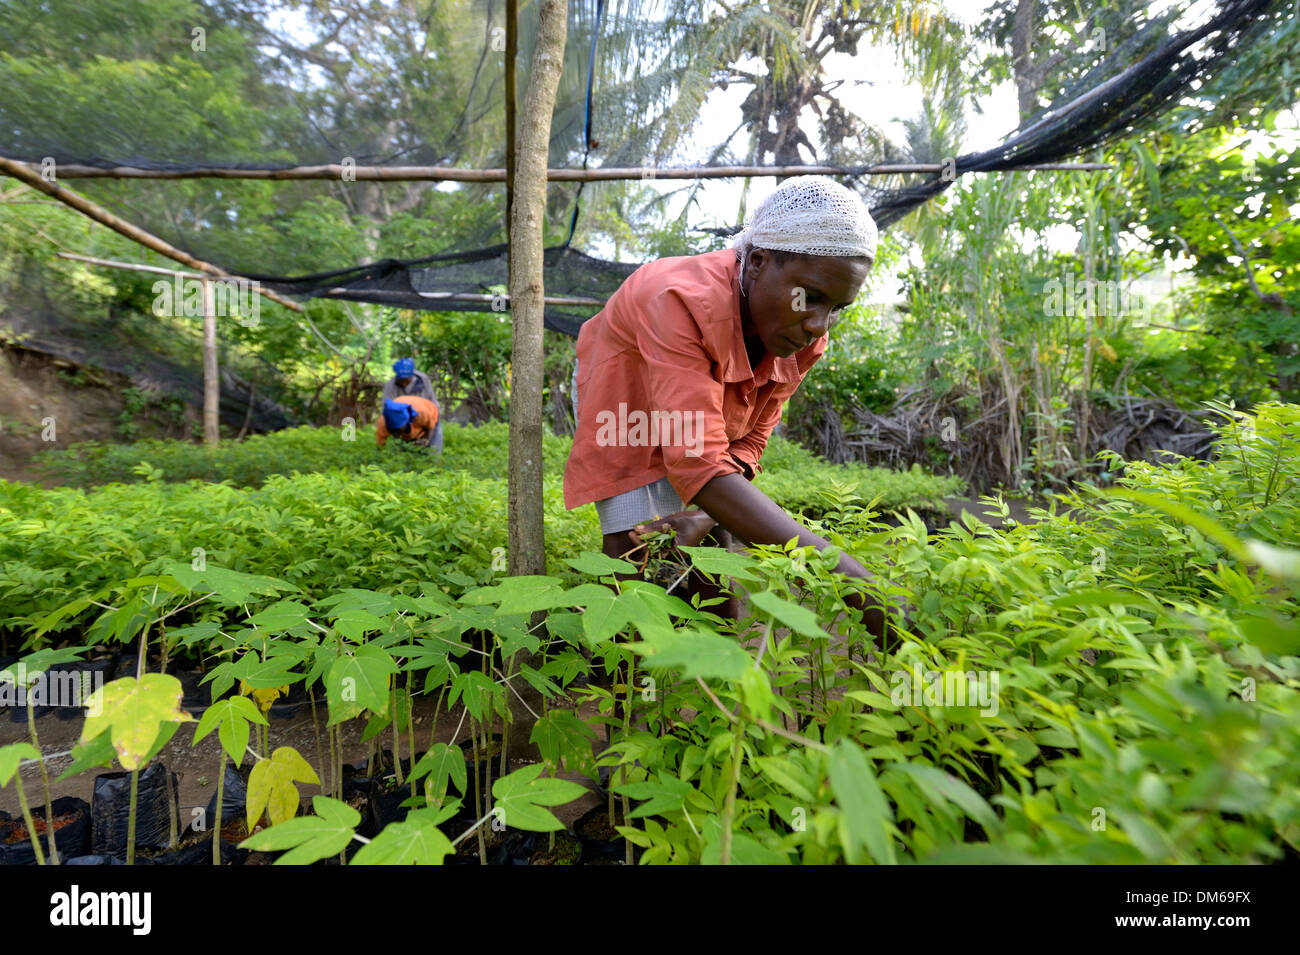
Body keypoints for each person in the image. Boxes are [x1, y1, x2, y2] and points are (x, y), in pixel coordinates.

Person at [563, 176, 904, 641]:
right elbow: (700, 465)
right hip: (626, 398)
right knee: (634, 546)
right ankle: (616, 695)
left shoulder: (802, 336)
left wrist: (705, 513)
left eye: (836, 307)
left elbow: (750, 440)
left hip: (699, 411)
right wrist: (852, 582)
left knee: (712, 543)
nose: (818, 324)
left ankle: (716, 688)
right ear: (759, 262)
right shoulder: (676, 298)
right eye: (811, 296)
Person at [377, 395, 443, 452]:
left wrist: (426, 440)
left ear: (407, 422)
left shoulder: (421, 414)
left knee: (432, 450)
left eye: (398, 431)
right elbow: (380, 446)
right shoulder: (383, 423)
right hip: (410, 425)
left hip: (430, 415)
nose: (396, 435)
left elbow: (430, 427)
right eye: (392, 431)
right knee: (404, 451)